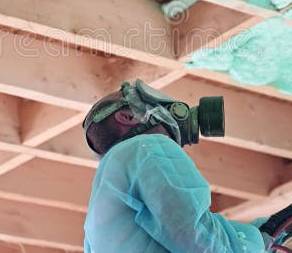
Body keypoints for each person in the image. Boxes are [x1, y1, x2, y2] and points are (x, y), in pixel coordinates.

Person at [82, 86, 266, 253]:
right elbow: (191, 231)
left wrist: (251, 235)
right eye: (149, 99)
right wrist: (255, 244)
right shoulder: (145, 148)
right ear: (128, 117)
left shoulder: (101, 202)